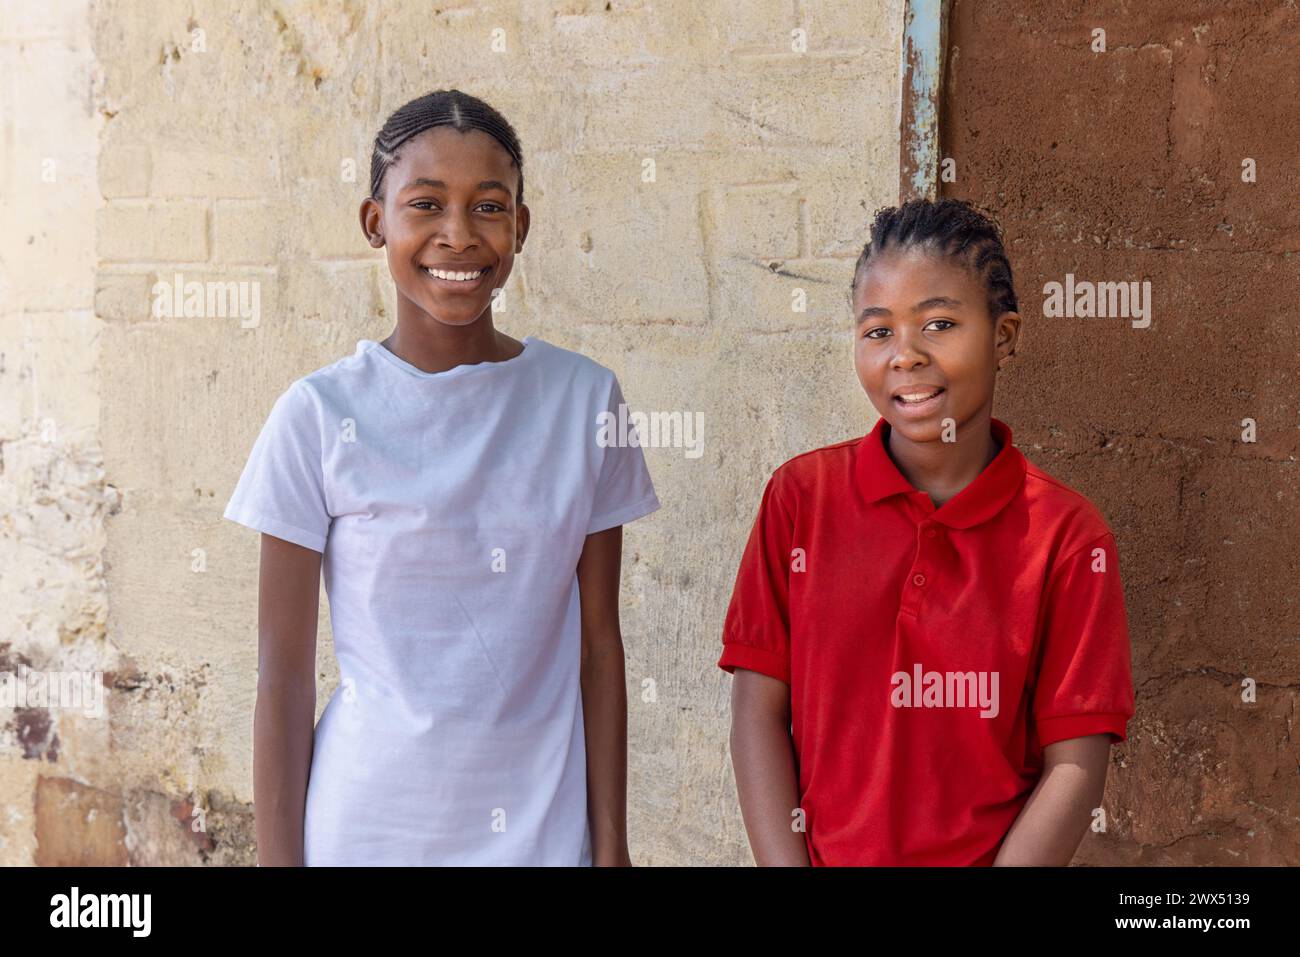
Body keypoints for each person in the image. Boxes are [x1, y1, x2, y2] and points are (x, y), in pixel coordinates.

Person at [223, 89, 659, 866]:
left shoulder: (586, 401)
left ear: (520, 226)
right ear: (376, 221)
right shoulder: (319, 416)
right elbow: (282, 675)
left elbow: (600, 646)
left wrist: (612, 845)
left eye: (489, 207)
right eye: (425, 204)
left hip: (543, 836)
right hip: (366, 832)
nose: (458, 235)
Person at [719, 198, 1135, 866]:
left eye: (939, 323)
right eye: (878, 331)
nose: (905, 356)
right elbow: (756, 712)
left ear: (1004, 336)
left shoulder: (1066, 537)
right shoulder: (800, 500)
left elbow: (1076, 761)